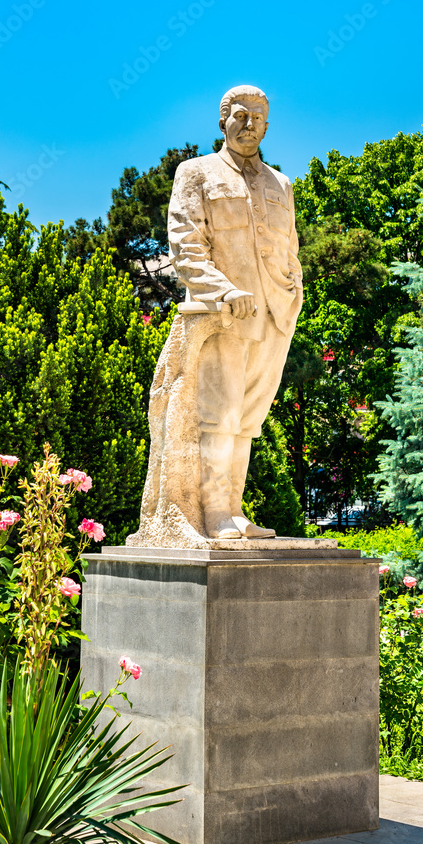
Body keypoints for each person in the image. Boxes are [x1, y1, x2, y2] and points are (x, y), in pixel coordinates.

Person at [167, 84, 302, 539]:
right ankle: (214, 514)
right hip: (222, 317)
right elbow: (186, 246)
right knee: (218, 415)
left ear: (268, 125)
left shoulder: (280, 184)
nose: (250, 126)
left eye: (258, 119)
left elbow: (291, 253)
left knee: (247, 420)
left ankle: (235, 511)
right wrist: (223, 291)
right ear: (222, 121)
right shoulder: (197, 173)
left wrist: (292, 296)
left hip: (274, 318)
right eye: (241, 116)